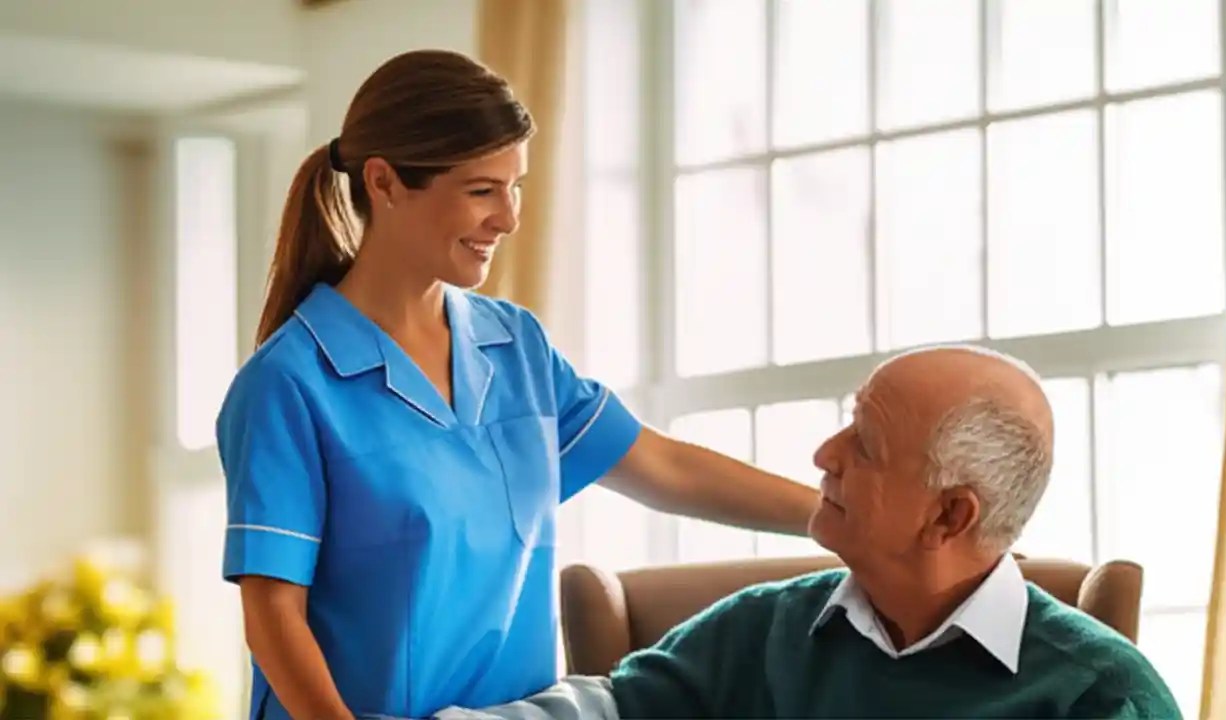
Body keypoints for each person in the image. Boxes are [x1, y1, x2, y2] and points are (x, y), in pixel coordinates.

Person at [216, 49, 818, 720]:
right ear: (384, 183)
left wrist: (834, 520)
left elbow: (663, 465)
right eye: (481, 190)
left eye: (515, 185)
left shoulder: (517, 347)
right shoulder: (290, 383)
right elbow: (272, 613)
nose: (508, 217)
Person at [436, 346, 1182, 720]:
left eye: (866, 444)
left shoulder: (1102, 696)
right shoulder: (765, 627)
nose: (825, 457)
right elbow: (605, 712)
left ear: (951, 515)